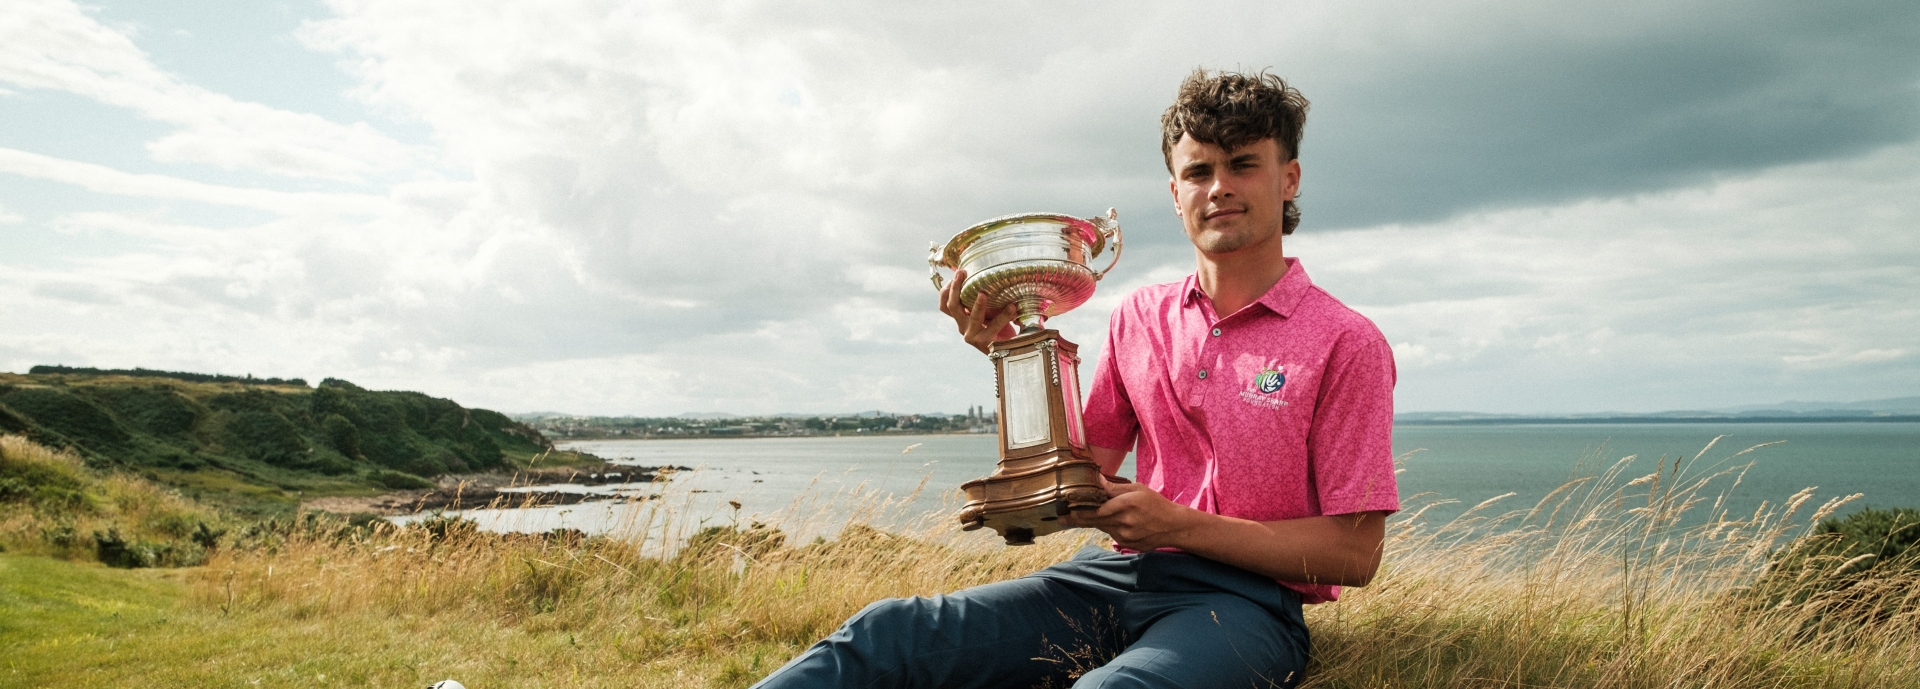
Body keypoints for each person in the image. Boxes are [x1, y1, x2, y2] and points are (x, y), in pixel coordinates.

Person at [750, 69, 1399, 689]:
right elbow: (1081, 471)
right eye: (1198, 171)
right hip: (1109, 576)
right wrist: (1011, 350)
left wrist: (1178, 524)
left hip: (1247, 606)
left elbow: (1354, 553)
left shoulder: (1345, 340)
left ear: (1289, 178)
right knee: (890, 631)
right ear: (1175, 195)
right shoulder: (1141, 318)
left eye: (1243, 165)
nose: (1218, 187)